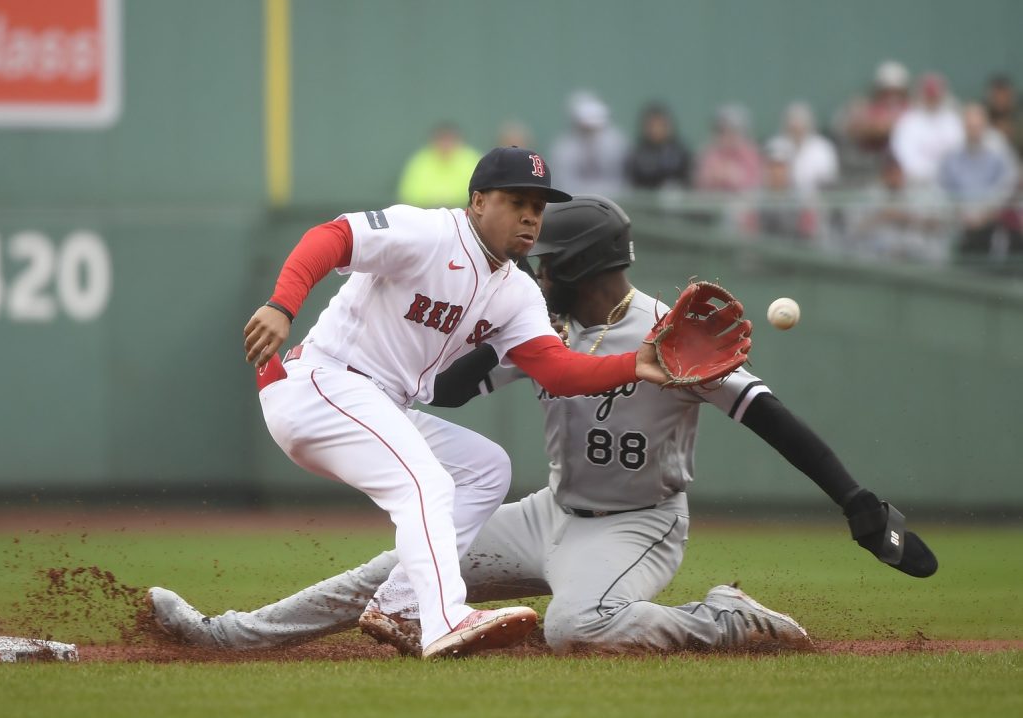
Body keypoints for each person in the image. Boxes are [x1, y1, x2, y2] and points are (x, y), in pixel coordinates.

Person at [150, 196, 936, 657]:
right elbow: (457, 392)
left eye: (550, 265)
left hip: (637, 526)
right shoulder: (541, 332)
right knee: (402, 565)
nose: (535, 274)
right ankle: (231, 634)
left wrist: (855, 500)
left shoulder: (677, 337)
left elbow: (774, 420)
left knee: (575, 628)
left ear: (587, 272)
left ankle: (719, 616)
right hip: (548, 513)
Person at [192, 148, 684, 660]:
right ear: (477, 201)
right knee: (427, 482)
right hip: (321, 385)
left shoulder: (516, 291)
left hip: (379, 403)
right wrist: (281, 304)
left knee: (487, 469)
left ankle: (401, 601)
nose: (529, 217)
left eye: (538, 208)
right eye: (516, 201)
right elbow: (332, 237)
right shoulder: (427, 233)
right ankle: (444, 617)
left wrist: (635, 364)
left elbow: (556, 369)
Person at [938, 103, 1017, 260]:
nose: (974, 132)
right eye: (970, 127)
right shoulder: (952, 155)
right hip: (959, 222)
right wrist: (960, 213)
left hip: (991, 220)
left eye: (977, 127)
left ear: (985, 127)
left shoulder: (997, 151)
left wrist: (987, 213)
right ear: (963, 127)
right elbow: (942, 187)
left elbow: (1008, 184)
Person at [890, 73, 964, 188]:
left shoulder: (952, 121)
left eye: (934, 96)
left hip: (950, 184)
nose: (932, 99)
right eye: (929, 96)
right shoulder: (908, 121)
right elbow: (903, 155)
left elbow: (958, 151)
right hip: (915, 184)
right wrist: (924, 174)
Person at [549, 90, 628, 198]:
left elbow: (620, 180)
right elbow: (564, 183)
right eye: (585, 128)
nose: (591, 133)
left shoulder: (616, 144)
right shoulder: (563, 150)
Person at [395, 122, 481, 208]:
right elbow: (408, 196)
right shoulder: (420, 162)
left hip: (464, 214)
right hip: (426, 215)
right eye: (442, 140)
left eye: (449, 140)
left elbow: (480, 194)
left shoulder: (472, 160)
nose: (445, 144)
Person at [623, 102, 691, 191]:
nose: (656, 130)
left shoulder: (680, 152)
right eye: (652, 125)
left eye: (660, 125)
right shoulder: (637, 154)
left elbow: (686, 180)